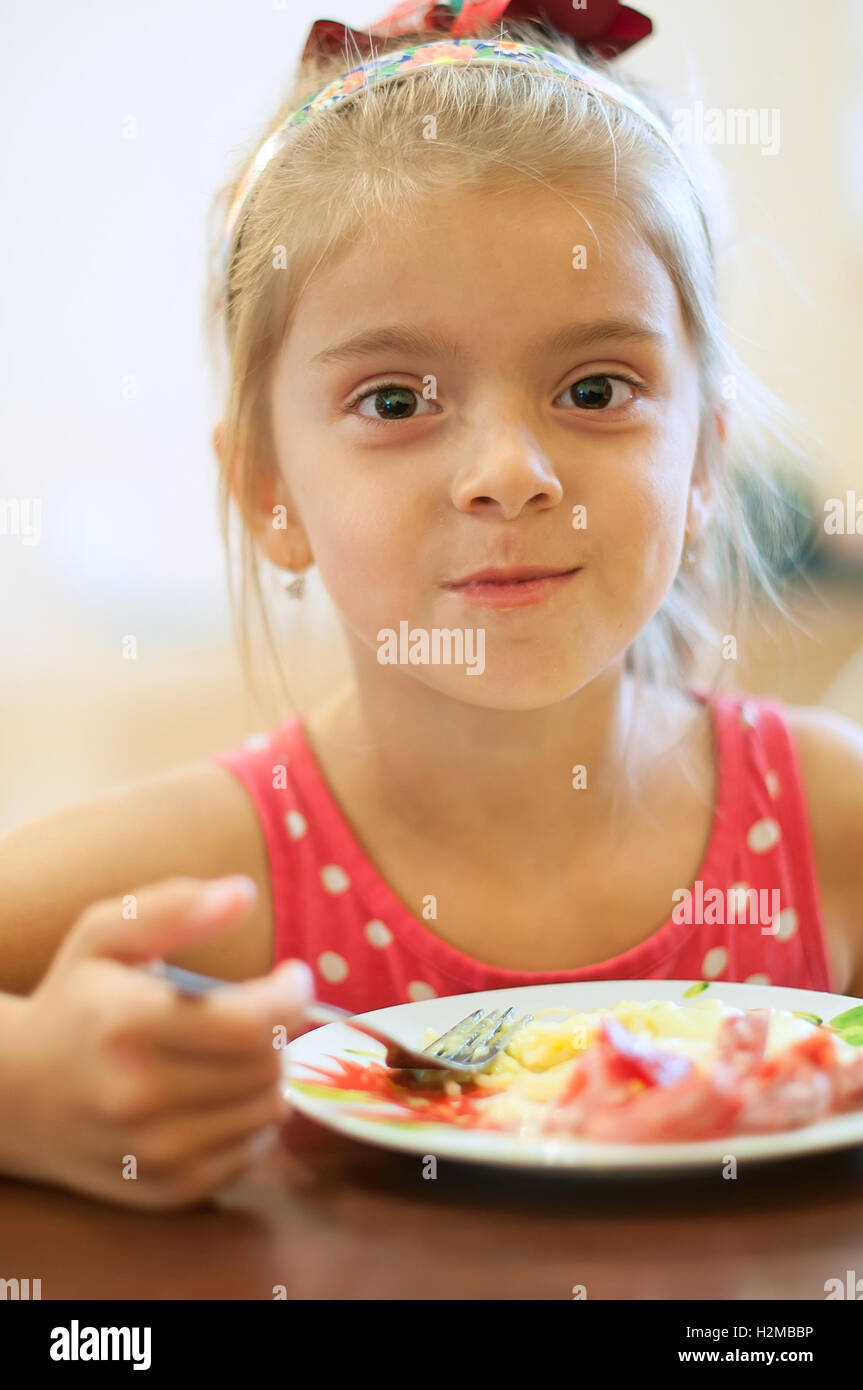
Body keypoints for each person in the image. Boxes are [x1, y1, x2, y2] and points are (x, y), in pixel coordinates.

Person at [2, 0, 862, 1210]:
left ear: (704, 467)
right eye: (397, 402)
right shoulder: (221, 867)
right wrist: (26, 1087)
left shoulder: (826, 822)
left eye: (596, 385)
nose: (508, 470)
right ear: (268, 491)